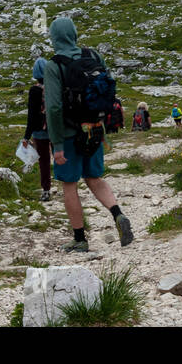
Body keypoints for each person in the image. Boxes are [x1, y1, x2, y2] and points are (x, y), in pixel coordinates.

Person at [45, 16, 133, 252]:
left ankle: (79, 239)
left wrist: (57, 144)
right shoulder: (93, 56)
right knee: (94, 178)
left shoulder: (54, 65)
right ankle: (118, 214)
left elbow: (53, 108)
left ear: (54, 38)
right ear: (74, 34)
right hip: (94, 129)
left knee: (69, 184)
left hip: (68, 134)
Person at [23, 58, 53, 202]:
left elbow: (32, 115)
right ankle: (68, 185)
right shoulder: (55, 87)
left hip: (39, 131)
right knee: (60, 157)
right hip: (55, 129)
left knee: (44, 161)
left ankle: (46, 190)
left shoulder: (34, 90)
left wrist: (26, 136)